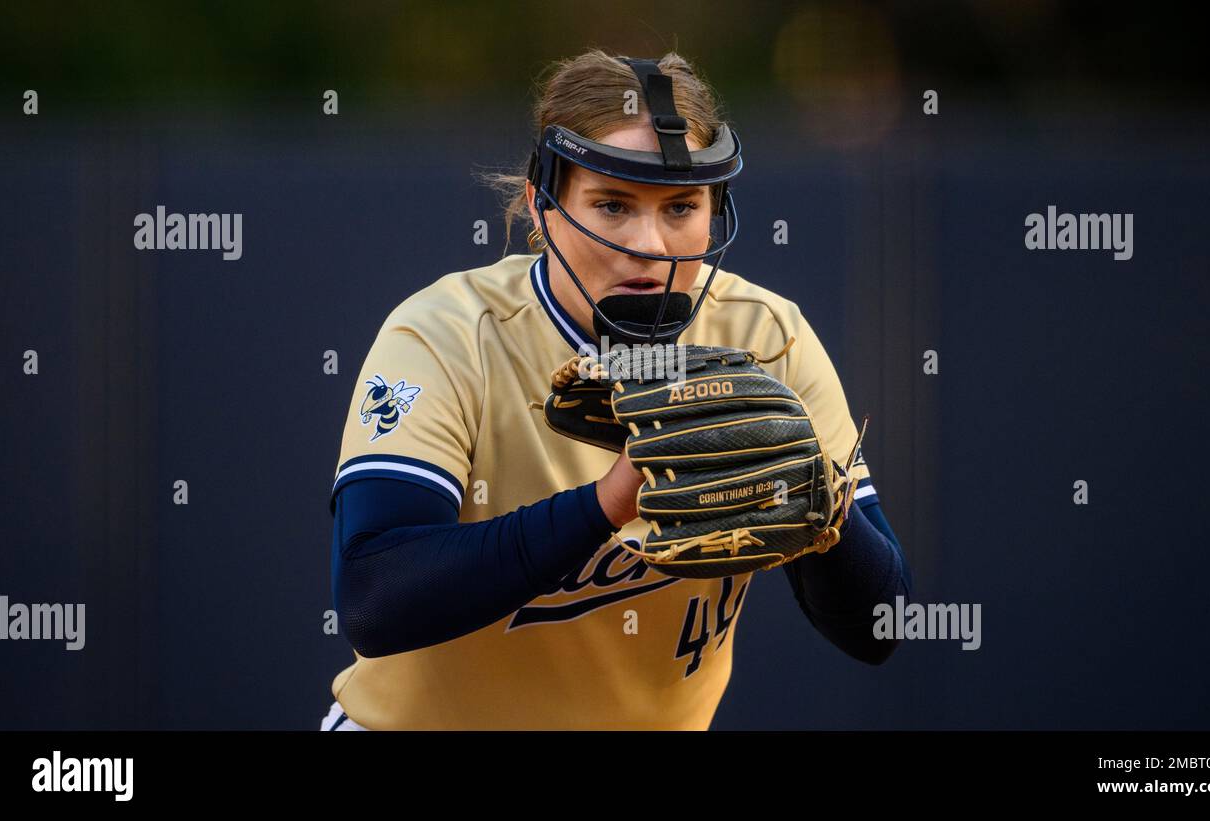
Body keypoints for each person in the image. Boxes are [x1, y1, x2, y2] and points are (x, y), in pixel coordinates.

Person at [319, 49, 912, 731]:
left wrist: (817, 508)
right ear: (542, 205)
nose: (651, 243)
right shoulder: (452, 334)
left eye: (682, 206)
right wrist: (607, 502)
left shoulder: (767, 339)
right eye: (612, 204)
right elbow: (372, 598)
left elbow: (881, 627)